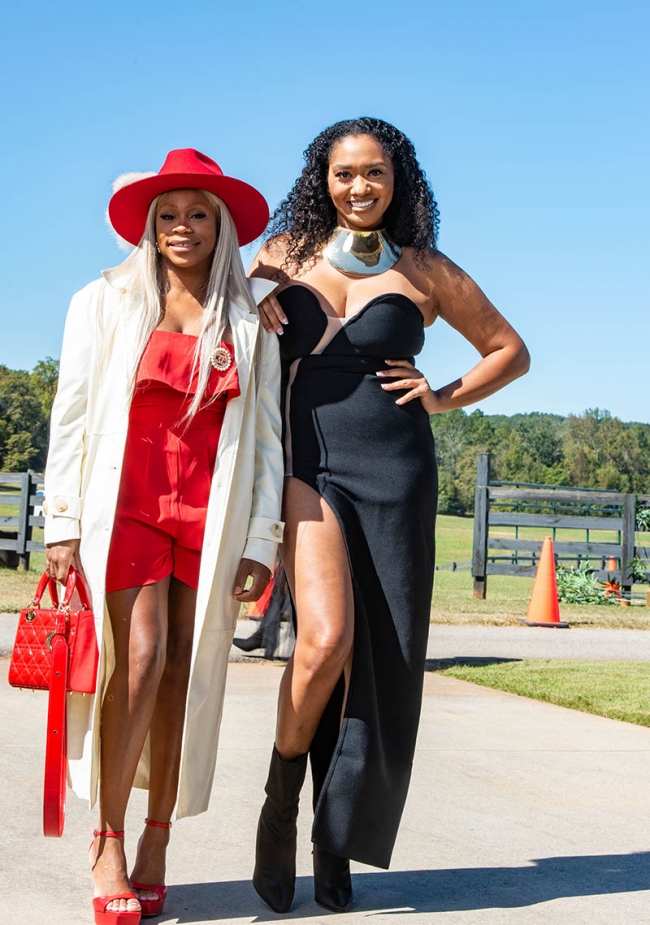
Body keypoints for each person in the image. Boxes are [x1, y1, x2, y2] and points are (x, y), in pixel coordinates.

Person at [248, 116, 530, 913]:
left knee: (379, 660)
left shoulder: (426, 268)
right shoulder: (282, 253)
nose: (359, 187)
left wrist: (442, 397)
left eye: (374, 172)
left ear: (397, 178)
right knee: (326, 639)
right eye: (344, 173)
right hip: (309, 465)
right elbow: (216, 316)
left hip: (399, 468)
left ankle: (334, 837)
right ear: (322, 177)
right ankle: (279, 807)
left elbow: (510, 348)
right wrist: (255, 304)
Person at [43, 148, 284, 925]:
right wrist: (63, 525)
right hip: (128, 511)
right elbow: (71, 415)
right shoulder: (103, 301)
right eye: (169, 214)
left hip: (209, 521)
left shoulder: (251, 321)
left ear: (221, 228)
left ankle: (156, 842)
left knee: (185, 671)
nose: (183, 227)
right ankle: (106, 838)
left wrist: (262, 538)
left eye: (199, 214)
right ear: (150, 225)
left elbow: (270, 442)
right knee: (139, 659)